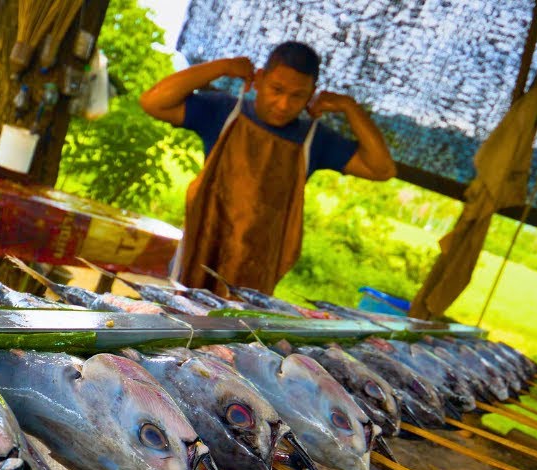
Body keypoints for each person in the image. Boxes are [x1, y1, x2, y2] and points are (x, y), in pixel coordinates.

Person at [140, 42, 395, 294]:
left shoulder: (314, 139)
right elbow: (153, 102)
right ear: (259, 79)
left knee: (237, 333)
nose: (283, 104)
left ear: (311, 95)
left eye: (297, 96)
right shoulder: (223, 111)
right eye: (277, 89)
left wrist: (350, 107)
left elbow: (382, 169)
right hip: (200, 248)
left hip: (258, 270)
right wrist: (223, 66)